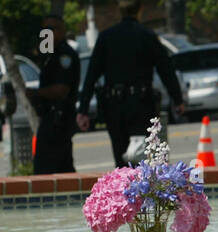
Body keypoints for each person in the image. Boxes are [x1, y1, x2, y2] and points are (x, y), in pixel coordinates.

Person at [76, 0, 184, 166]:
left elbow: (91, 74)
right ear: (139, 10)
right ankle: (141, 189)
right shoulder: (147, 35)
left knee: (121, 157)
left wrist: (83, 109)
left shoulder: (106, 37)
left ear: (120, 12)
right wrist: (177, 99)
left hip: (114, 105)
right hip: (141, 103)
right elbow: (166, 69)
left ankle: (122, 189)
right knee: (142, 156)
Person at [31, 14, 79, 174]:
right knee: (56, 165)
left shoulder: (65, 55)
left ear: (62, 30)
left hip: (59, 116)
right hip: (49, 115)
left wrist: (36, 93)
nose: (46, 33)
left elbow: (61, 90)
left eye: (51, 29)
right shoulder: (51, 53)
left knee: (50, 165)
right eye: (44, 29)